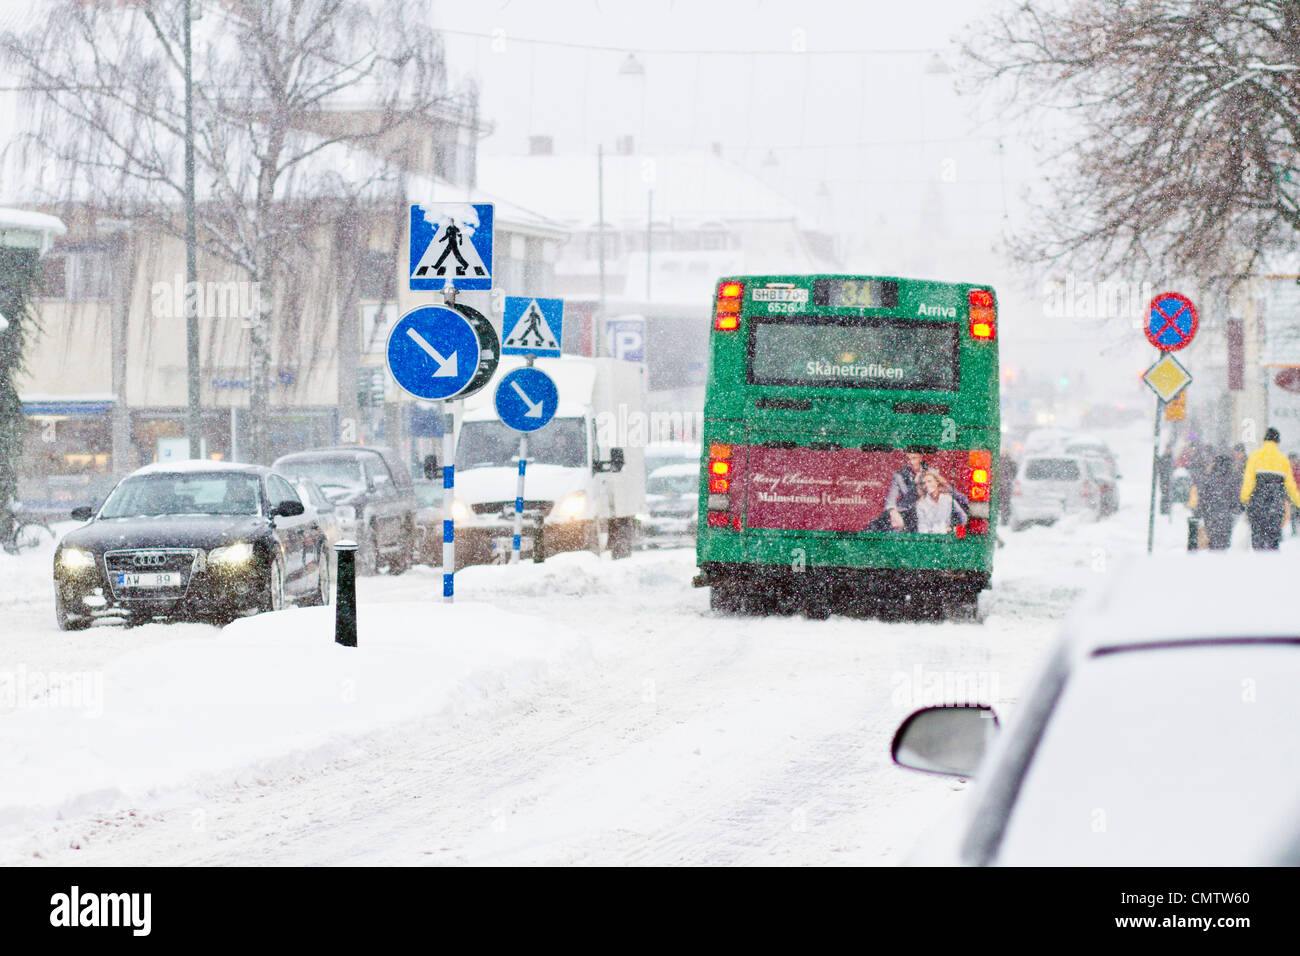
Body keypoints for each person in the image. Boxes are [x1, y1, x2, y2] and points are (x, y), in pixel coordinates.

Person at [1239, 427, 1300, 551]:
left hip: (1257, 504)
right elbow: (1291, 486)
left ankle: (1260, 565)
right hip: (1276, 505)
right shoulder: (1283, 460)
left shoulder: (1255, 457)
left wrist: (1244, 499)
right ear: (1277, 442)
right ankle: (1272, 565)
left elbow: (1249, 481)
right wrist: (1298, 503)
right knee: (1273, 541)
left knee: (1258, 540)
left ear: (1264, 440)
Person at [1195, 454, 1241, 550]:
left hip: (1210, 517)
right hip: (1226, 518)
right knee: (1223, 545)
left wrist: (1198, 513)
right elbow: (1236, 499)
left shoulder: (1209, 478)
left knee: (1212, 544)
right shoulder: (1234, 479)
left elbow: (1203, 498)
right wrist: (1236, 511)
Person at [915, 469, 968, 534]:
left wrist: (959, 531)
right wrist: (941, 530)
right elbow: (922, 529)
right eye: (924, 483)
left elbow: (963, 517)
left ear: (937, 482)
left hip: (948, 539)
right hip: (930, 540)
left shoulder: (948, 499)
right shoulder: (921, 505)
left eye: (929, 481)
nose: (926, 485)